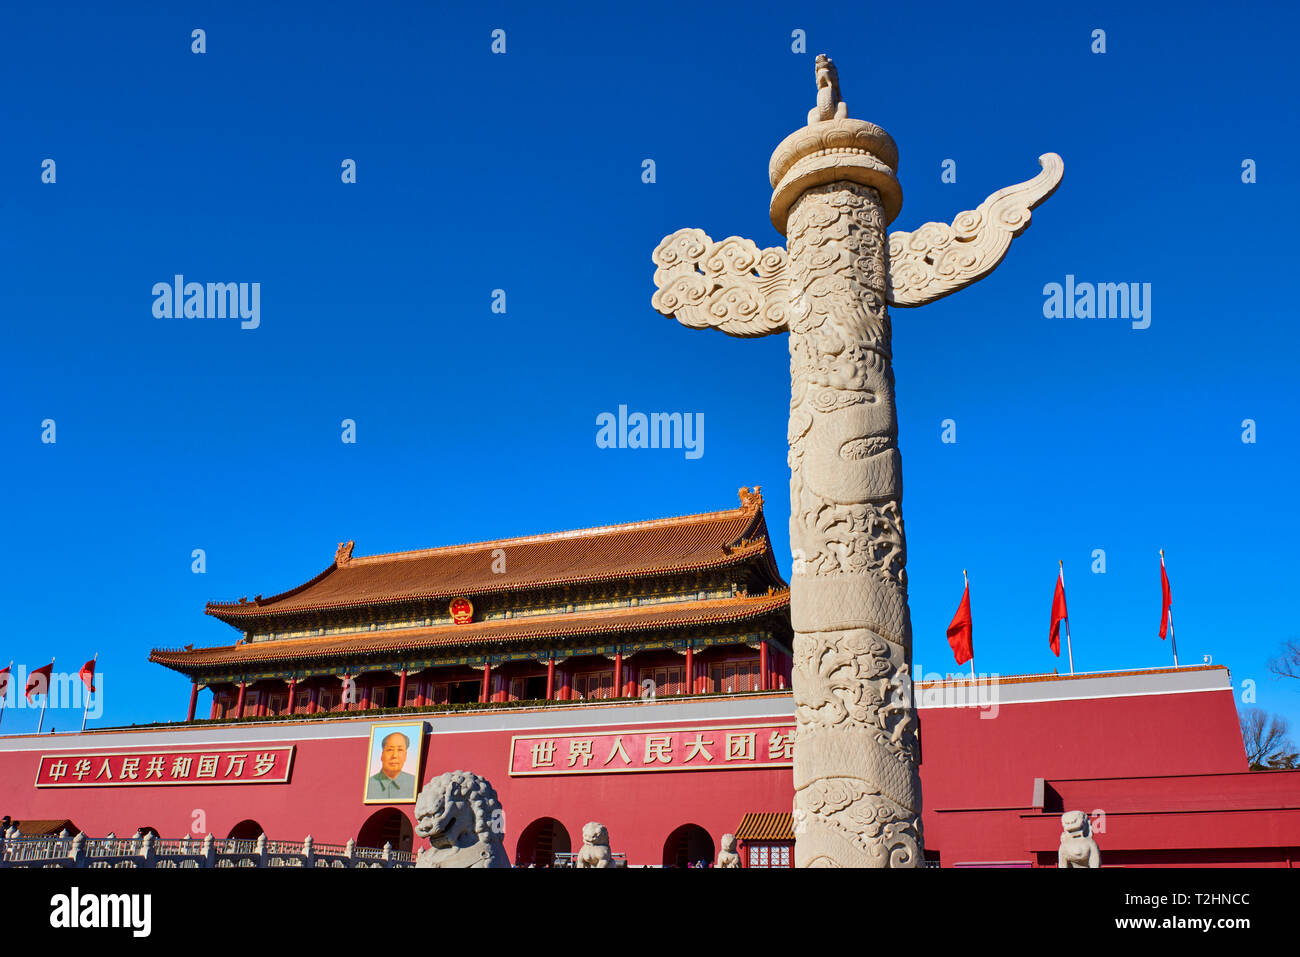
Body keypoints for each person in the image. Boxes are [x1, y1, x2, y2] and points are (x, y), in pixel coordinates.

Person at [366, 731, 416, 800]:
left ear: (405, 755)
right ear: (382, 754)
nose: (395, 755)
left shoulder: (414, 783)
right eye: (390, 750)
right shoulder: (369, 785)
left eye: (400, 750)